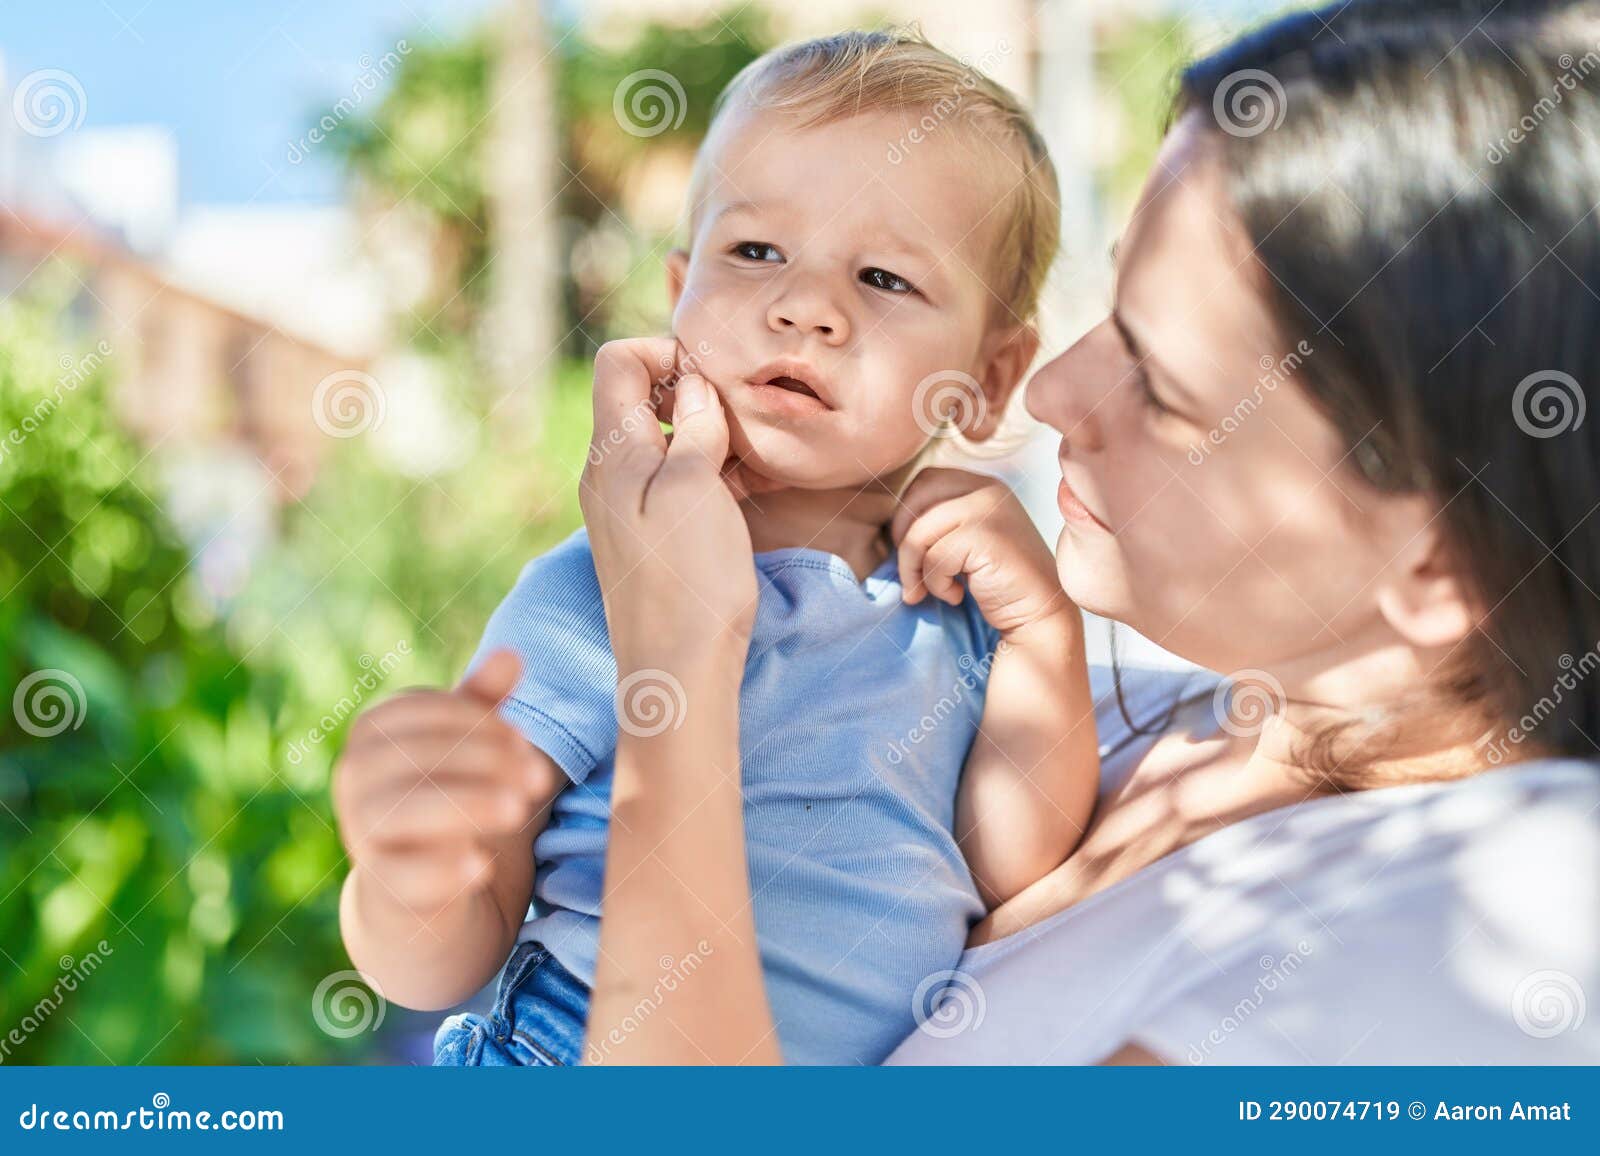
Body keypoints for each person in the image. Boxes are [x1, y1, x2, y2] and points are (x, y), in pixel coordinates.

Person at [576, 0, 1600, 1064]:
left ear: (1437, 555)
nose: (1058, 391)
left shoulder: (1482, 923)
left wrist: (680, 662)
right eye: (1110, 308)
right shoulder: (1135, 718)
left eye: (1157, 384)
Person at [334, 30, 1105, 1066]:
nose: (805, 307)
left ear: (991, 375)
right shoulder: (594, 590)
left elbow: (1008, 865)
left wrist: (1043, 633)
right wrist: (409, 878)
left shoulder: (953, 605)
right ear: (676, 293)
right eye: (754, 253)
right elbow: (438, 965)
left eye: (882, 277)